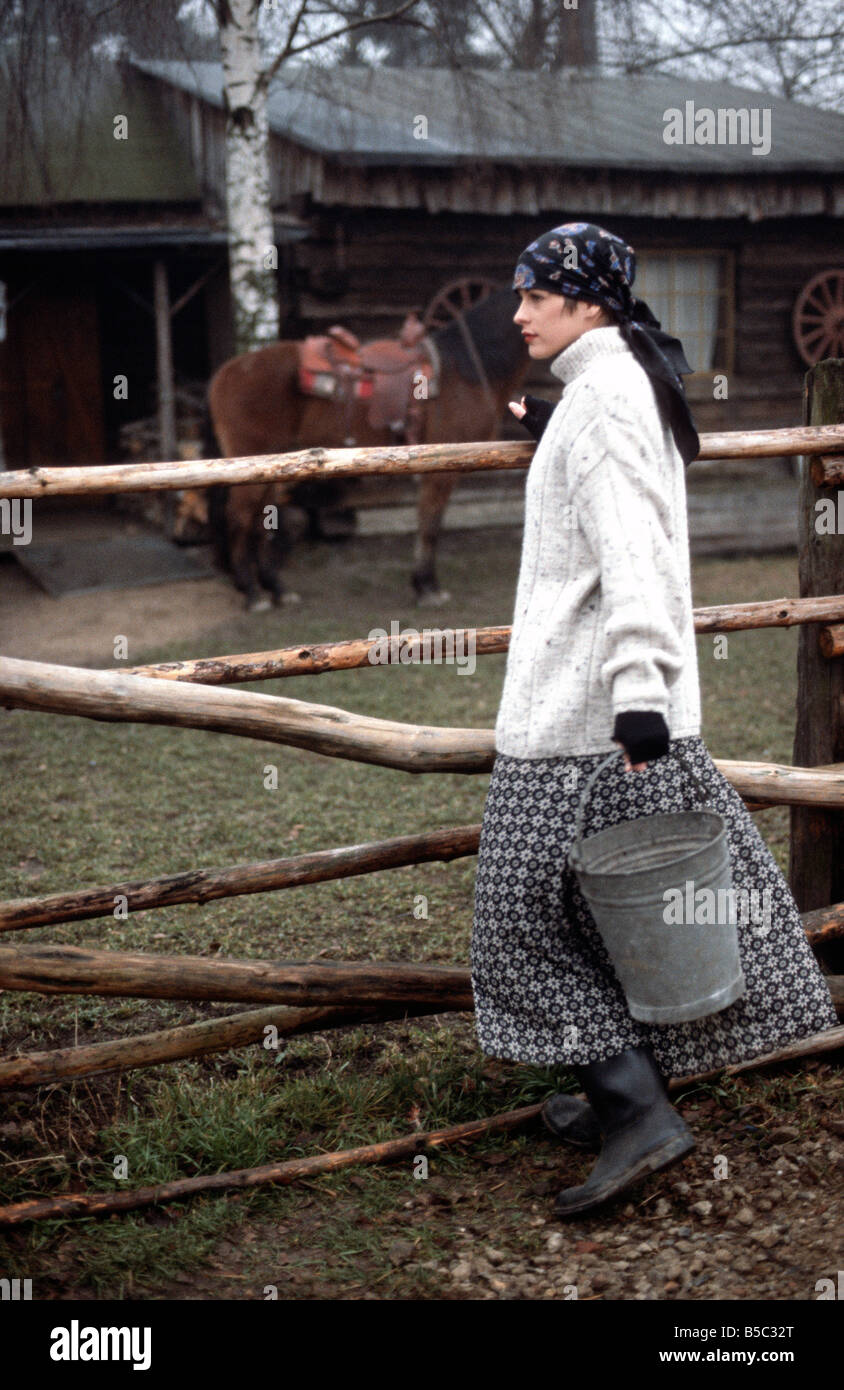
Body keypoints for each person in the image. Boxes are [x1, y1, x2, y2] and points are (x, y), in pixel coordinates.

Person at [470, 221, 839, 1219]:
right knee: (592, 917)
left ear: (586, 299)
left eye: (534, 294)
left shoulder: (608, 397)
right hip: (597, 710)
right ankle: (624, 1093)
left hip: (589, 721)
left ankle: (637, 1112)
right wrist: (552, 433)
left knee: (512, 933)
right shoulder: (612, 386)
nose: (517, 311)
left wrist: (638, 697)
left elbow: (634, 558)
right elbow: (617, 504)